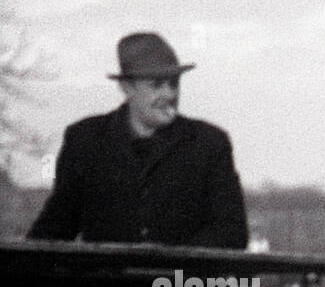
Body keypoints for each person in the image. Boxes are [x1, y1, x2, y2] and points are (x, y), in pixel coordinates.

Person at [29, 32, 248, 248]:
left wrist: (168, 262)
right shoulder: (85, 140)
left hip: (179, 283)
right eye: (157, 85)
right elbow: (57, 225)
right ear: (127, 88)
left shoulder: (209, 144)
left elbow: (232, 232)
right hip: (105, 282)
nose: (169, 94)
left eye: (174, 84)